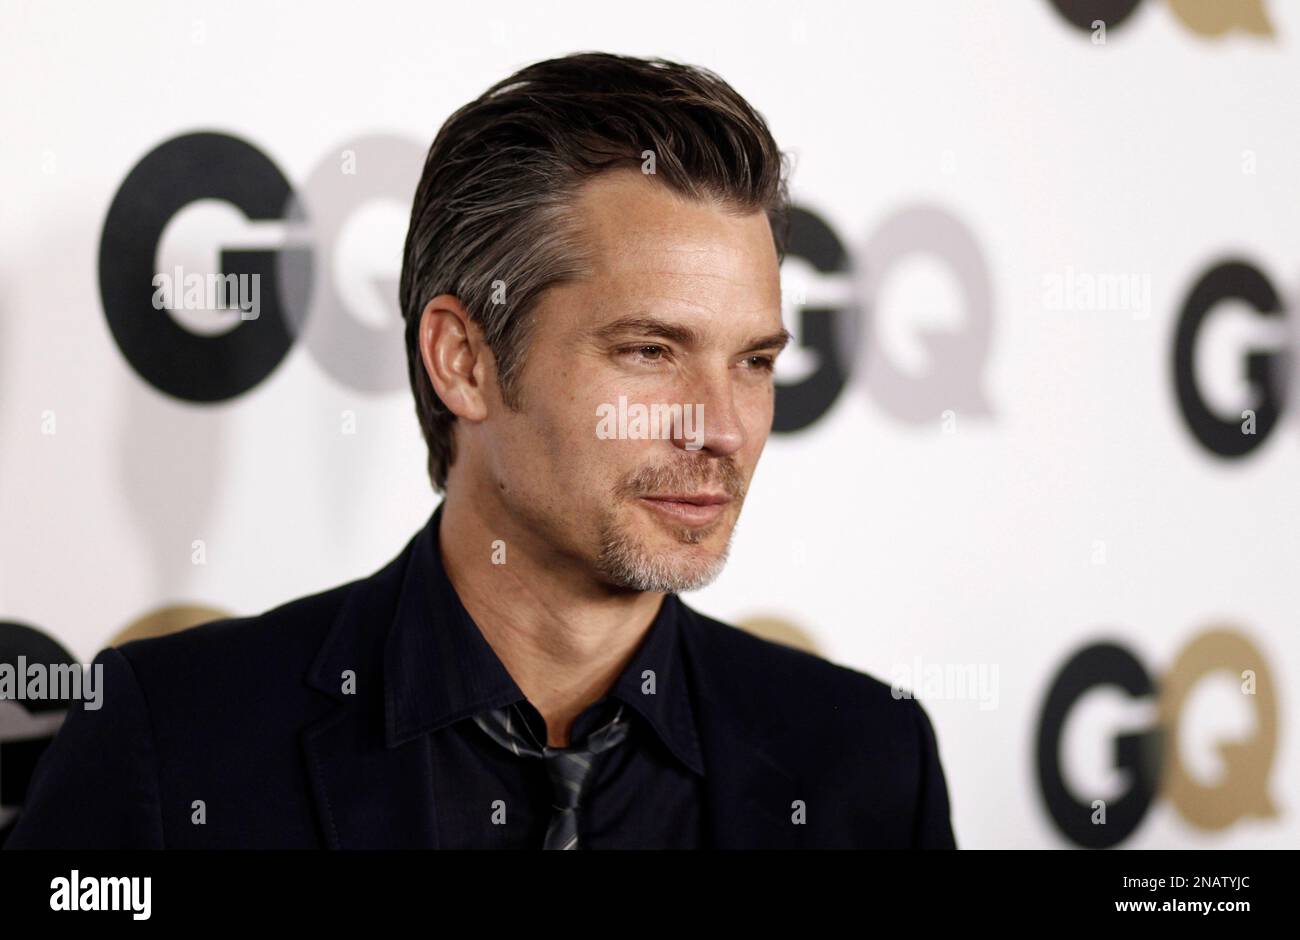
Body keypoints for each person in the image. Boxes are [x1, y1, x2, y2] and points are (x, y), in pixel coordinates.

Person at [5, 51, 956, 849]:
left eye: (753, 360)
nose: (722, 426)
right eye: (649, 352)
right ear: (464, 362)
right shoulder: (175, 744)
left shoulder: (868, 766)